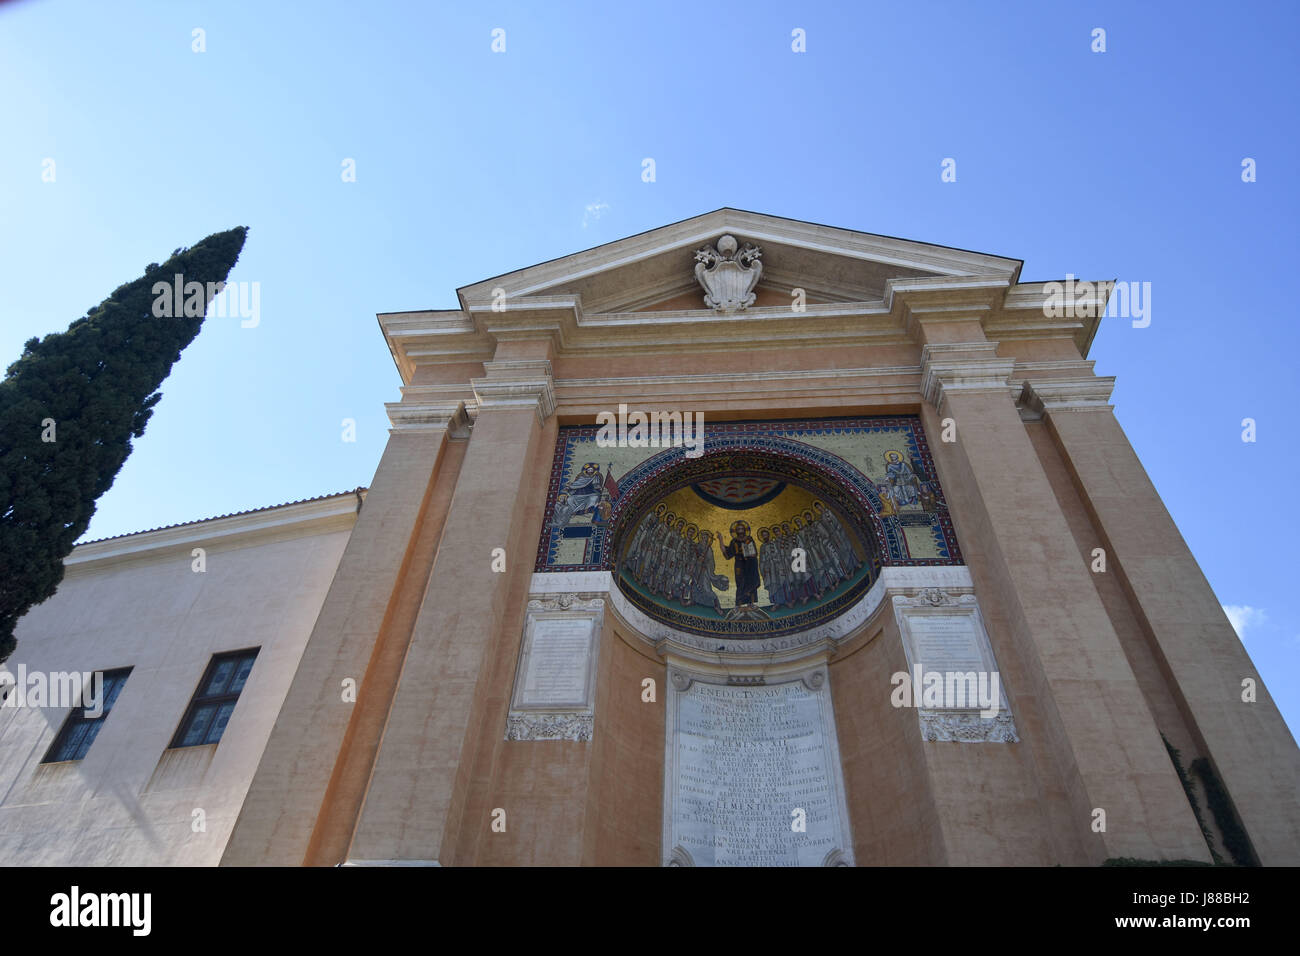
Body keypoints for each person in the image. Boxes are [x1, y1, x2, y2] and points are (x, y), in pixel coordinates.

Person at [717, 520, 761, 607]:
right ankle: (739, 604)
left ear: (744, 530)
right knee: (740, 582)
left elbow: (755, 552)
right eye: (738, 529)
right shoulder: (734, 542)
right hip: (739, 565)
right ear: (736, 531)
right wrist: (721, 540)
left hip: (750, 564)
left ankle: (750, 603)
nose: (740, 530)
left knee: (751, 582)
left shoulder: (749, 539)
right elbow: (727, 553)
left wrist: (748, 554)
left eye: (741, 528)